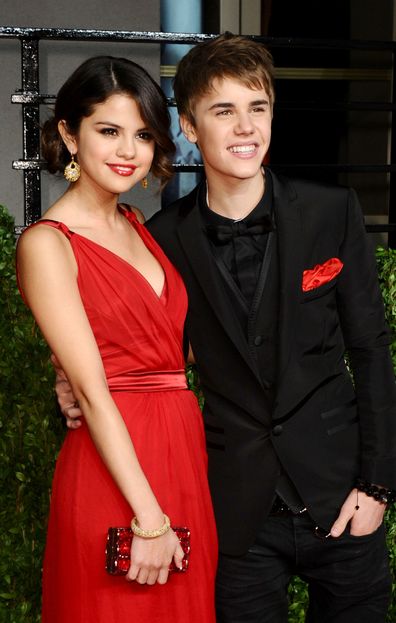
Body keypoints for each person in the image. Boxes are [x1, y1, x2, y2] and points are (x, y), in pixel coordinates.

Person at [57, 35, 396, 622]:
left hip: (343, 497)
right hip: (233, 509)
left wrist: (378, 487)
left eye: (257, 108)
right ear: (188, 126)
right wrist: (66, 374)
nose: (245, 128)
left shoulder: (331, 210)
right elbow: (132, 329)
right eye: (223, 111)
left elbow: (371, 351)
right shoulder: (159, 237)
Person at [16, 55, 217, 623]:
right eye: (109, 131)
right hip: (117, 472)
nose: (129, 151)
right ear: (68, 134)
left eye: (144, 135)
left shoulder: (135, 224)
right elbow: (94, 390)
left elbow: (174, 350)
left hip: (180, 452)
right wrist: (149, 519)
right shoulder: (47, 244)